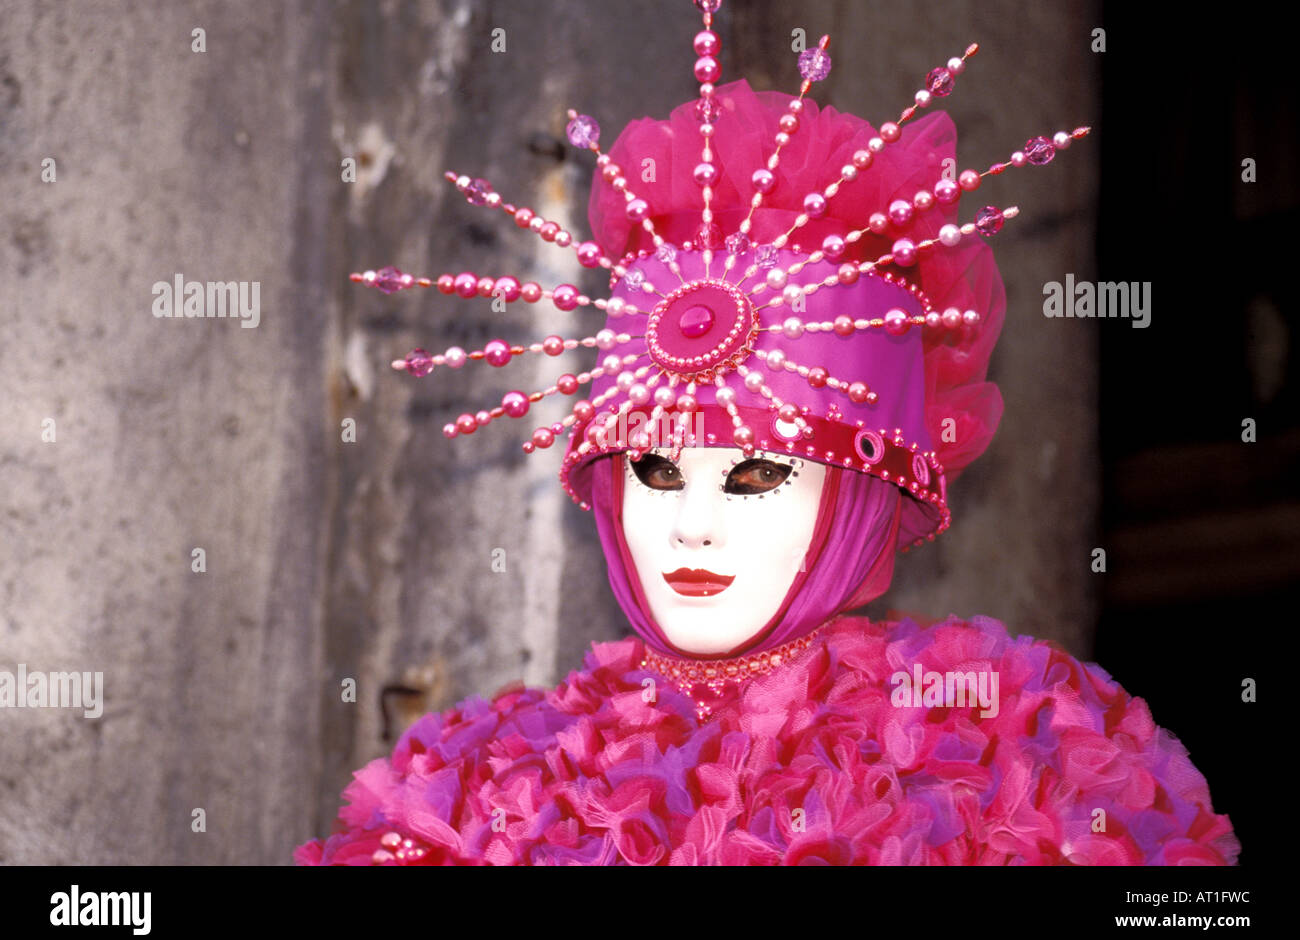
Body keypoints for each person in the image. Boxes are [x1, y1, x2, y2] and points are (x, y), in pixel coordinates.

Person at [296, 10, 1239, 865]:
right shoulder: (475, 787)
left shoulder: (1019, 755)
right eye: (658, 470)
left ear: (859, 499)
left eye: (753, 475)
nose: (691, 526)